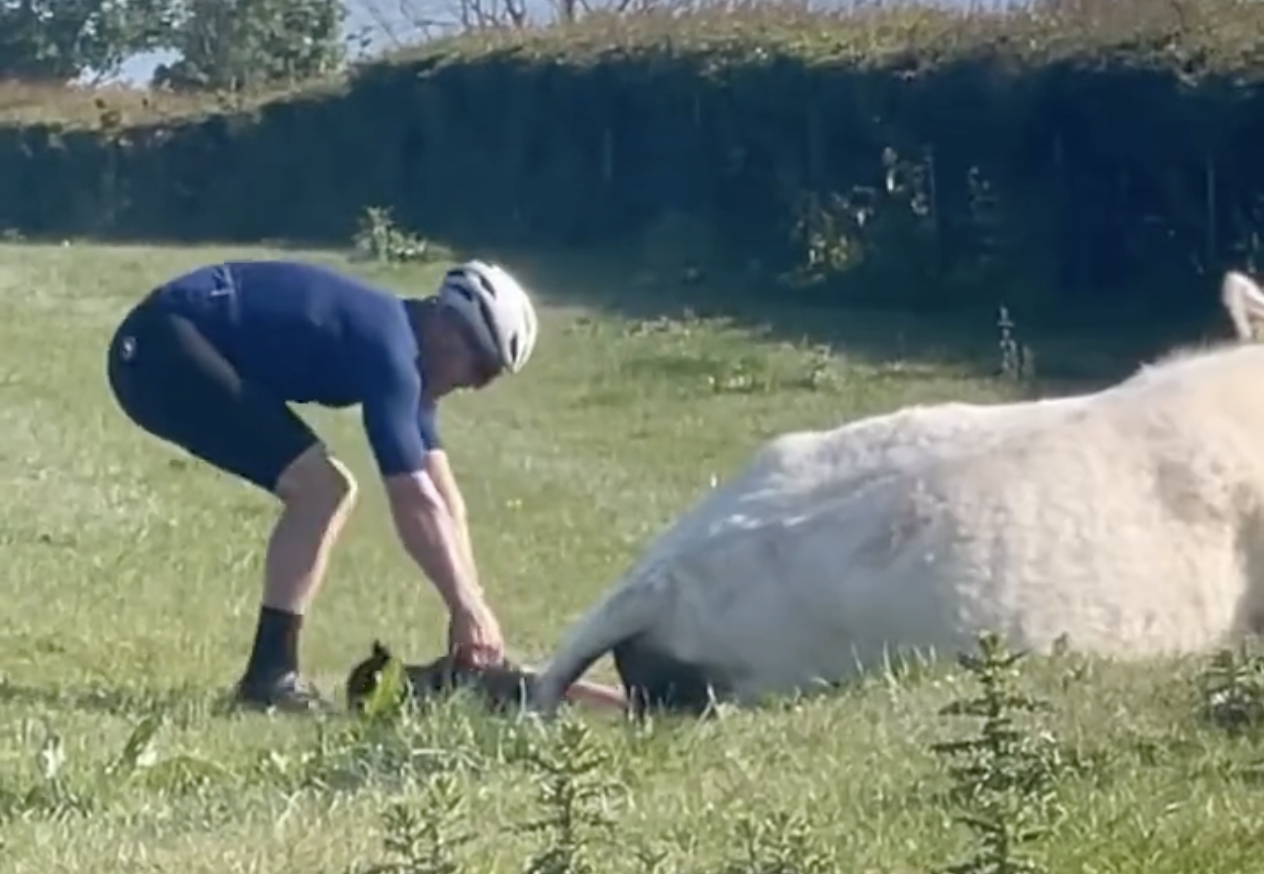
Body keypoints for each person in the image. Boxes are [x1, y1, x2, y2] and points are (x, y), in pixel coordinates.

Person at [104, 257, 540, 713]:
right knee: (321, 489)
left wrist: (473, 609)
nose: (474, 386)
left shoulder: (408, 352)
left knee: (324, 489)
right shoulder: (391, 351)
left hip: (170, 335)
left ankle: (268, 677)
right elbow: (413, 498)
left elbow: (443, 495)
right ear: (450, 331)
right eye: (483, 369)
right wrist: (465, 606)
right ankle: (269, 679)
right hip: (161, 346)